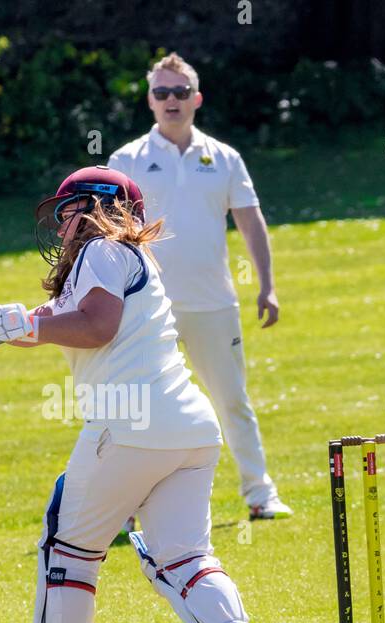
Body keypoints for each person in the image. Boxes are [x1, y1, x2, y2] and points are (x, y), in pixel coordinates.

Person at [0, 166, 271, 623]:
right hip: (188, 428)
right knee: (183, 556)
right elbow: (53, 320)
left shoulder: (103, 249)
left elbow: (95, 326)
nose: (63, 228)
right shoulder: (119, 261)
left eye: (70, 214)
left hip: (127, 423)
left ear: (102, 210)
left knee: (66, 547)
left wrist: (20, 324)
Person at [107, 53, 292, 521]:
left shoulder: (224, 157)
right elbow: (105, 233)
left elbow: (251, 222)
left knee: (232, 400)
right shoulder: (125, 160)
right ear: (150, 100)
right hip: (146, 307)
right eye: (162, 92)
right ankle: (128, 509)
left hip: (213, 302)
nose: (172, 101)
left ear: (197, 99)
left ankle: (259, 494)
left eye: (181, 92)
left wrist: (267, 285)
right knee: (139, 405)